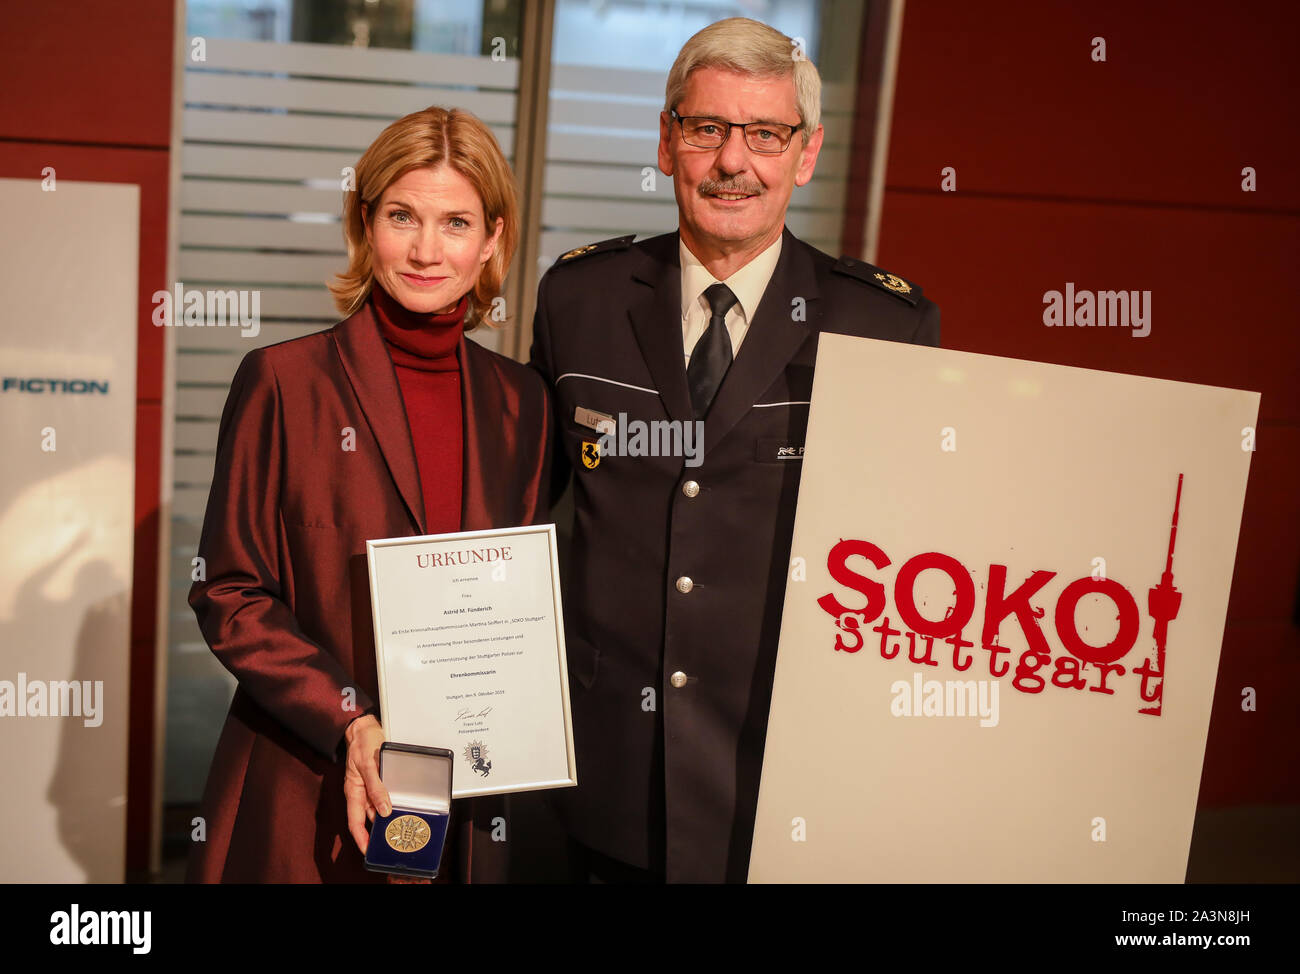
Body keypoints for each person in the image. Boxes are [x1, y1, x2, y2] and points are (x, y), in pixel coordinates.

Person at [528, 17, 941, 882]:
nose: (732, 161)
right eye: (706, 128)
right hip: (608, 778)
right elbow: (521, 511)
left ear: (808, 152)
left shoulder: (884, 324)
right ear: (668, 140)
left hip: (784, 781)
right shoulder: (581, 298)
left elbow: (915, 558)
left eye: (765, 134)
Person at [187, 106, 551, 883]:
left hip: (464, 799)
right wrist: (349, 719)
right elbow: (230, 593)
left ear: (491, 239)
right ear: (365, 224)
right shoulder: (283, 383)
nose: (426, 250)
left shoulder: (524, 403)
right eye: (402, 217)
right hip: (302, 792)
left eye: (455, 222)